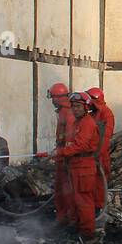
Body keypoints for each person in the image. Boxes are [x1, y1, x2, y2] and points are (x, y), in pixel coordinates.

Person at [40, 92, 101, 240]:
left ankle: (87, 233)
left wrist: (58, 153)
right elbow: (70, 144)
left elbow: (79, 146)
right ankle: (78, 226)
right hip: (75, 165)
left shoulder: (87, 123)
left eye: (78, 106)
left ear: (86, 107)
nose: (75, 109)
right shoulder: (77, 122)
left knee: (84, 200)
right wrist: (57, 152)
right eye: (73, 106)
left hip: (84, 166)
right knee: (75, 199)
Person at [47, 82, 75, 227]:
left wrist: (62, 154)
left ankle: (69, 218)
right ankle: (62, 216)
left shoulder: (68, 113)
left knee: (66, 189)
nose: (52, 100)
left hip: (65, 158)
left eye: (52, 97)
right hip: (62, 156)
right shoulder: (64, 112)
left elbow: (69, 139)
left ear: (58, 98)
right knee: (60, 188)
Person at [85, 88, 115, 211]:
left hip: (100, 155)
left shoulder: (106, 114)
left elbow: (105, 138)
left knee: (99, 183)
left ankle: (99, 209)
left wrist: (96, 155)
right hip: (93, 154)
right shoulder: (94, 113)